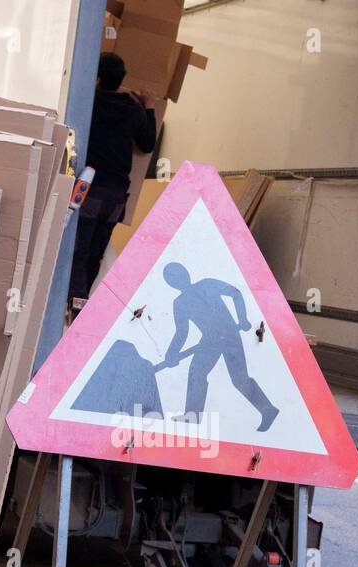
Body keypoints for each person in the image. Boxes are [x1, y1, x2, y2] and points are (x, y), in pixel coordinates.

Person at [69, 52, 157, 302]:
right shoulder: (133, 110)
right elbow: (147, 144)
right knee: (96, 252)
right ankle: (81, 302)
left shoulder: (89, 103)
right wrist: (149, 106)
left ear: (96, 78)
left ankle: (71, 301)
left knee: (78, 249)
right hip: (116, 195)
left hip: (89, 189)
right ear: (121, 80)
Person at [157, 261, 279, 431]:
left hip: (230, 335)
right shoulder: (180, 303)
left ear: (186, 273)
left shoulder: (207, 284)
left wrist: (242, 318)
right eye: (171, 278)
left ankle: (268, 410)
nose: (177, 280)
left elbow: (235, 294)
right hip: (209, 341)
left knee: (239, 379)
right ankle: (192, 417)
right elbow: (181, 332)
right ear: (170, 284)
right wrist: (172, 353)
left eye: (178, 274)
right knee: (196, 372)